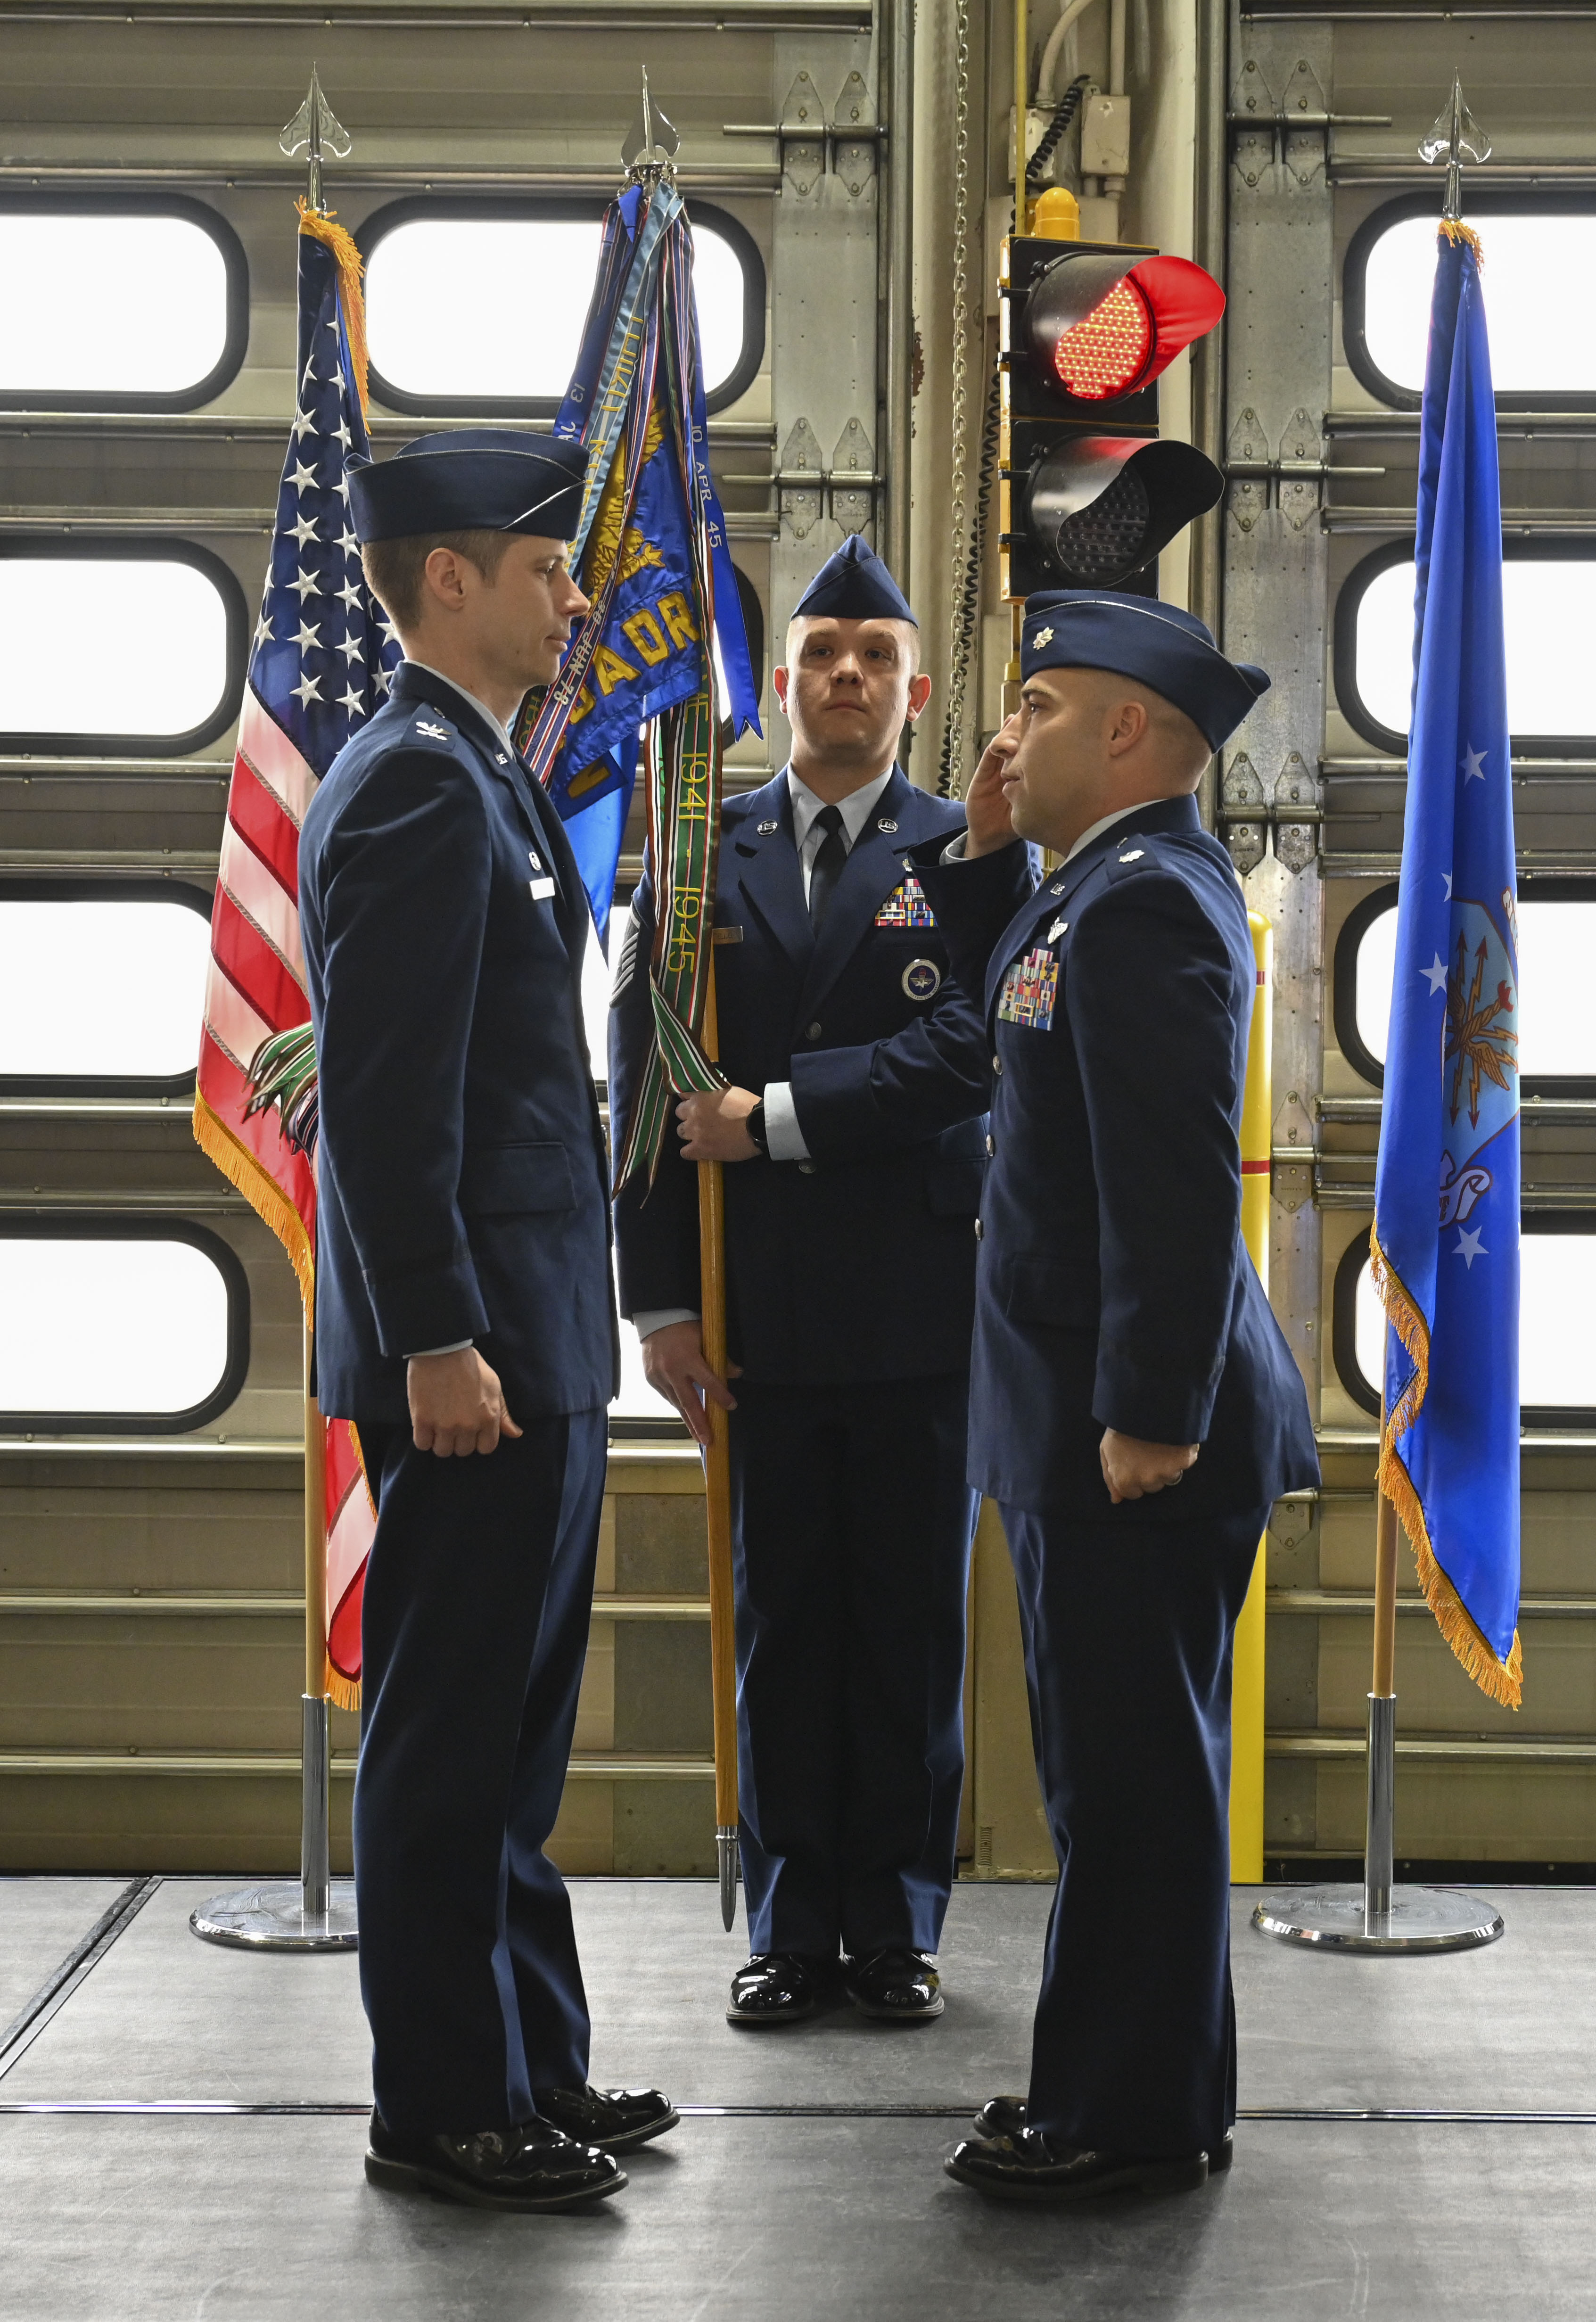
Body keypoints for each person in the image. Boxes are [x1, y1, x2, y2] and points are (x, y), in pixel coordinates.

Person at [299, 428, 675, 2213]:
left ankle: (533, 2065)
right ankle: (440, 2107)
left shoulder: (480, 768)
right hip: (475, 1358)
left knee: (512, 1737)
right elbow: (385, 1101)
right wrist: (438, 1336)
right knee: (449, 1740)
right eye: (544, 570)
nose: (576, 595)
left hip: (534, 1338)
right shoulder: (412, 784)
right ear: (450, 579)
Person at [910, 591, 1321, 2204]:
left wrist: (1150, 1406)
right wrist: (993, 855)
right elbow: (1019, 1059)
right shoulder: (1092, 890)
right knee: (1117, 1773)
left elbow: (1167, 1182)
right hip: (1091, 1412)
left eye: (1038, 710)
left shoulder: (1146, 906)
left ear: (1131, 732)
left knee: (1131, 1783)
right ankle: (1127, 2091)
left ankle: (1129, 2119)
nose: (1004, 739)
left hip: (1136, 1429)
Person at [609, 535, 1031, 2028]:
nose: (845, 678)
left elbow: (972, 1056)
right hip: (755, 1315)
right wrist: (658, 1307)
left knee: (907, 1629)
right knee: (783, 1621)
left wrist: (771, 1119)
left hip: (918, 1311)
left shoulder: (973, 854)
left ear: (913, 692)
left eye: (874, 657)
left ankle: (896, 1924)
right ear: (779, 683)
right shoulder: (689, 854)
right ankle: (791, 1925)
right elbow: (642, 1075)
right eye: (821, 655)